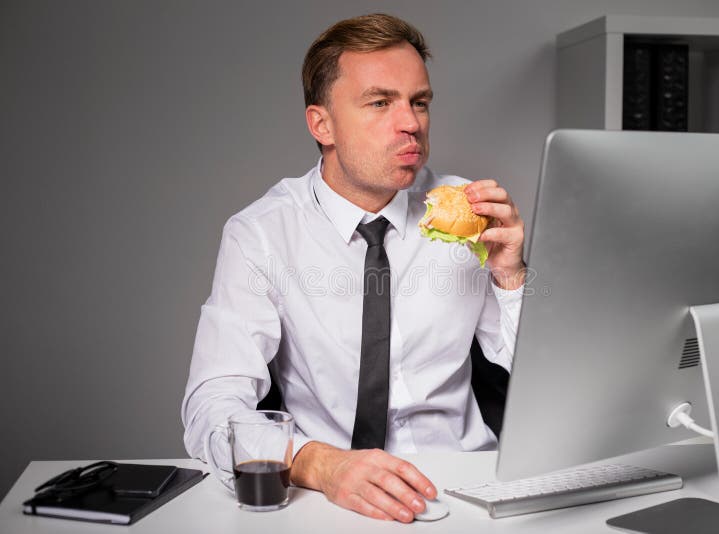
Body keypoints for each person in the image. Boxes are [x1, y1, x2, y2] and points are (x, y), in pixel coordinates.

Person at [181, 13, 526, 523]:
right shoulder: (261, 234)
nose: (411, 123)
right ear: (322, 124)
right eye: (380, 102)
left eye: (420, 102)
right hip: (325, 498)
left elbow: (552, 383)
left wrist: (513, 279)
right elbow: (211, 405)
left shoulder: (470, 216)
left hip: (465, 486)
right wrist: (318, 464)